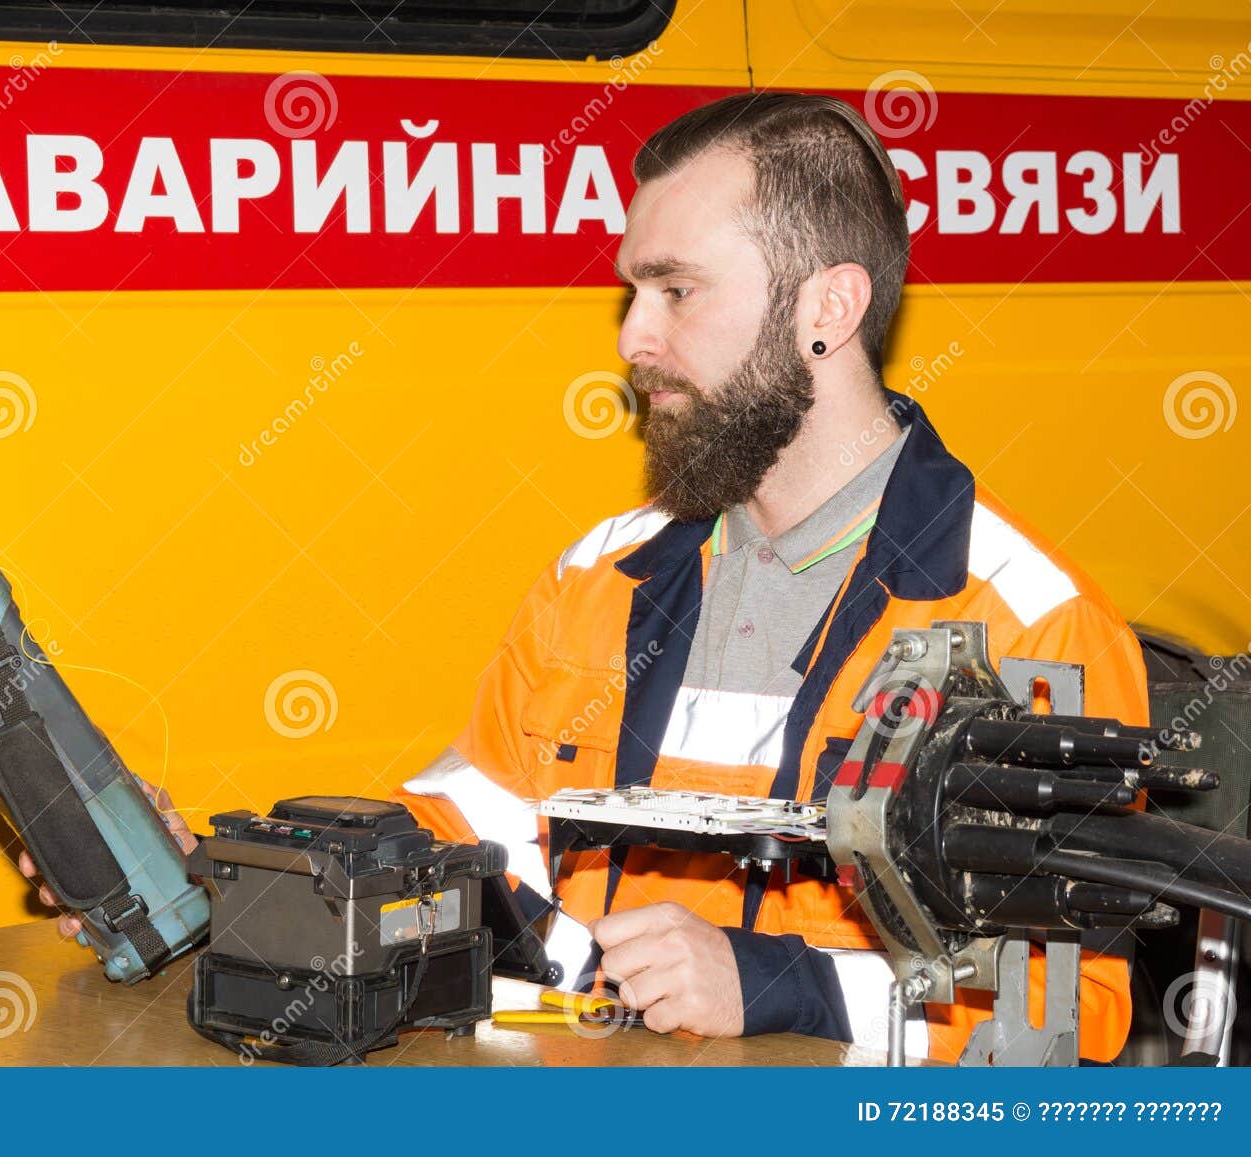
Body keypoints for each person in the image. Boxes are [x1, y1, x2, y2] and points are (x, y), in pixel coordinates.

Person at [390, 92, 1148, 1063]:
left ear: (825, 308)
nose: (631, 337)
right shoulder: (601, 572)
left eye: (676, 290)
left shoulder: (1027, 620)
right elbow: (471, 824)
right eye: (632, 291)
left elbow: (1072, 1004)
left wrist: (784, 983)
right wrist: (318, 857)